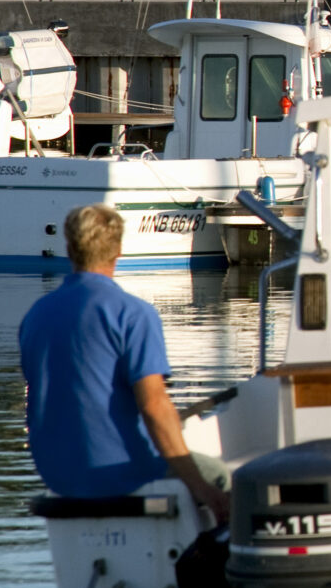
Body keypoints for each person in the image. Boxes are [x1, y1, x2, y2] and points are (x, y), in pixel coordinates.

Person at [20, 202, 227, 525]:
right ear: (118, 250)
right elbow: (155, 406)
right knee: (218, 473)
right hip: (119, 473)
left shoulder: (34, 316)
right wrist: (200, 487)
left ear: (70, 248)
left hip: (57, 475)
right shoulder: (133, 314)